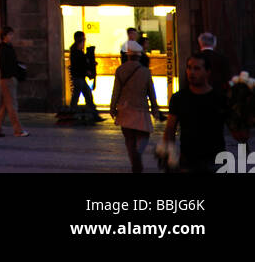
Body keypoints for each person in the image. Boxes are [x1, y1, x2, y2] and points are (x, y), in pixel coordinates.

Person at [164, 53, 228, 173]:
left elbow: (235, 128)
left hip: (215, 159)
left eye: (197, 68)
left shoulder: (219, 98)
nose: (191, 72)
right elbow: (170, 128)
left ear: (207, 72)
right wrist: (169, 154)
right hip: (188, 160)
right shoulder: (179, 98)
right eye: (189, 67)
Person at [110, 39, 162, 173]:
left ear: (128, 55)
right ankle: (138, 153)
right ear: (139, 56)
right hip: (141, 109)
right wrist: (155, 108)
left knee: (129, 139)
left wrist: (112, 107)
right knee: (144, 135)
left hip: (124, 110)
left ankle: (135, 161)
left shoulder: (120, 70)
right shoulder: (145, 71)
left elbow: (116, 91)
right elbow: (151, 92)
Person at [0, 26, 29, 137]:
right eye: (10, 34)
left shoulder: (8, 47)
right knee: (12, 105)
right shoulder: (3, 48)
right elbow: (5, 64)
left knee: (6, 105)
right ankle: (18, 129)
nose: (12, 37)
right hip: (8, 78)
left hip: (10, 77)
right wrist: (12, 74)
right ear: (4, 36)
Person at [69, 31, 101, 122]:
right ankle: (72, 113)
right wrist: (87, 69)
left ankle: (92, 114)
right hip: (79, 78)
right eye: (83, 39)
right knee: (82, 95)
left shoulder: (78, 51)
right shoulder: (76, 52)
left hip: (80, 77)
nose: (84, 42)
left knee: (84, 95)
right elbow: (79, 65)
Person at [197, 32, 232, 102]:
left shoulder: (195, 59)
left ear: (200, 43)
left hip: (199, 97)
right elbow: (227, 79)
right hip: (218, 97)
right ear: (214, 44)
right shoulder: (222, 58)